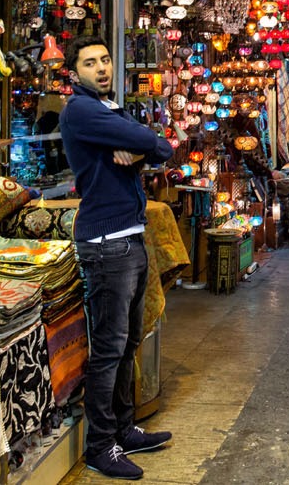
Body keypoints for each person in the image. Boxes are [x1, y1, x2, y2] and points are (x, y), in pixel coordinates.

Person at [60, 37, 174, 479]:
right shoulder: (82, 110)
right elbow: (153, 140)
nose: (102, 68)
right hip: (107, 242)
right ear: (75, 73)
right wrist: (145, 145)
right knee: (108, 351)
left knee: (127, 345)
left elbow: (159, 147)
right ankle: (100, 445)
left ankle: (125, 430)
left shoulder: (109, 109)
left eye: (105, 59)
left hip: (129, 237)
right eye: (90, 63)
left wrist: (144, 148)